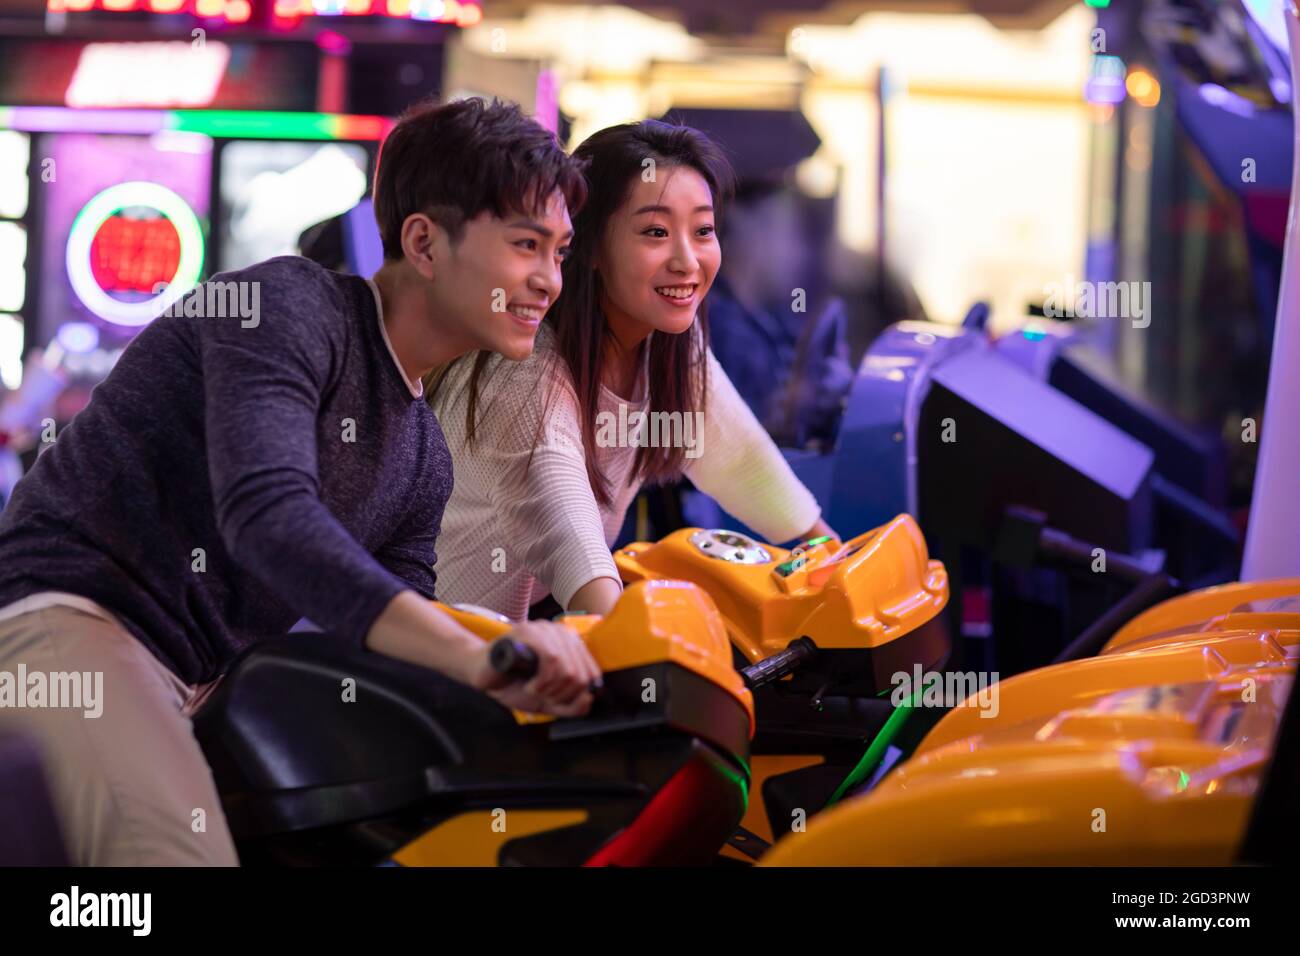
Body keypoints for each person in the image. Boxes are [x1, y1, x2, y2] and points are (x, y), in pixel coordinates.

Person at [0, 97, 599, 866]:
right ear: (424, 241)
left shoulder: (421, 452)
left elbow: (398, 624)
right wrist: (481, 654)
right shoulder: (288, 306)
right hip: (72, 619)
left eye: (561, 252)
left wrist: (547, 659)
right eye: (527, 245)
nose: (549, 279)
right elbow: (269, 516)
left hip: (196, 679)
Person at [428, 119, 836, 622]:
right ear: (590, 245)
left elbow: (742, 461)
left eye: (703, 230)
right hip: (439, 655)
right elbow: (572, 545)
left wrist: (835, 564)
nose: (688, 261)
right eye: (656, 232)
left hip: (527, 634)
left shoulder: (670, 344)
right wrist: (640, 654)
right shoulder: (523, 374)